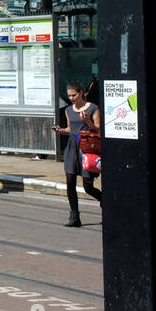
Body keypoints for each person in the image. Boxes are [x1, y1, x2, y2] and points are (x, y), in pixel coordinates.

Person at [54, 80, 103, 225]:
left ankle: (104, 200)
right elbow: (70, 128)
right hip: (72, 147)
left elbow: (97, 129)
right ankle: (74, 216)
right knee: (70, 181)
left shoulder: (93, 108)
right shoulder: (68, 110)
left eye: (74, 95)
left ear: (81, 93)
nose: (71, 98)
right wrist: (61, 130)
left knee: (88, 186)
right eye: (69, 96)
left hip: (87, 148)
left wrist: (88, 121)